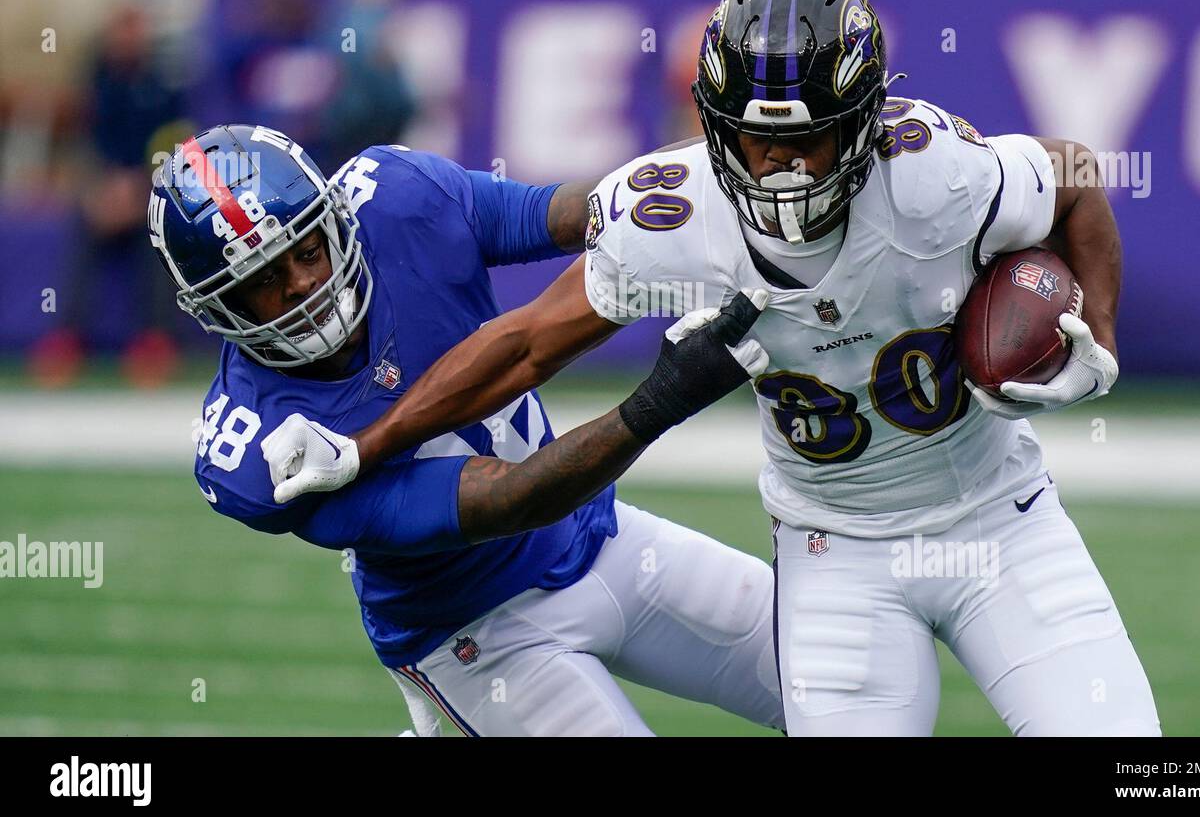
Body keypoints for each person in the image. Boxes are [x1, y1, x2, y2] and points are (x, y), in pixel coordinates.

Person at [272, 0, 1161, 736]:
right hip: (835, 549)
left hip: (1001, 517)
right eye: (754, 136)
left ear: (864, 121)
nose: (778, 165)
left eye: (805, 138)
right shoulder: (676, 218)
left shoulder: (934, 174)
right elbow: (526, 346)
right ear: (712, 119)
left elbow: (1079, 177)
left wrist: (1100, 335)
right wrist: (367, 444)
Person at [147, 123, 783, 736]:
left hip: (598, 531)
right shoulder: (257, 447)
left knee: (835, 683)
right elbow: (511, 498)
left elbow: (583, 211)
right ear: (220, 308)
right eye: (264, 283)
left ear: (333, 217)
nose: (304, 284)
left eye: (307, 251)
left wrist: (730, 152)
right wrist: (663, 398)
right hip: (477, 635)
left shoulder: (397, 199)